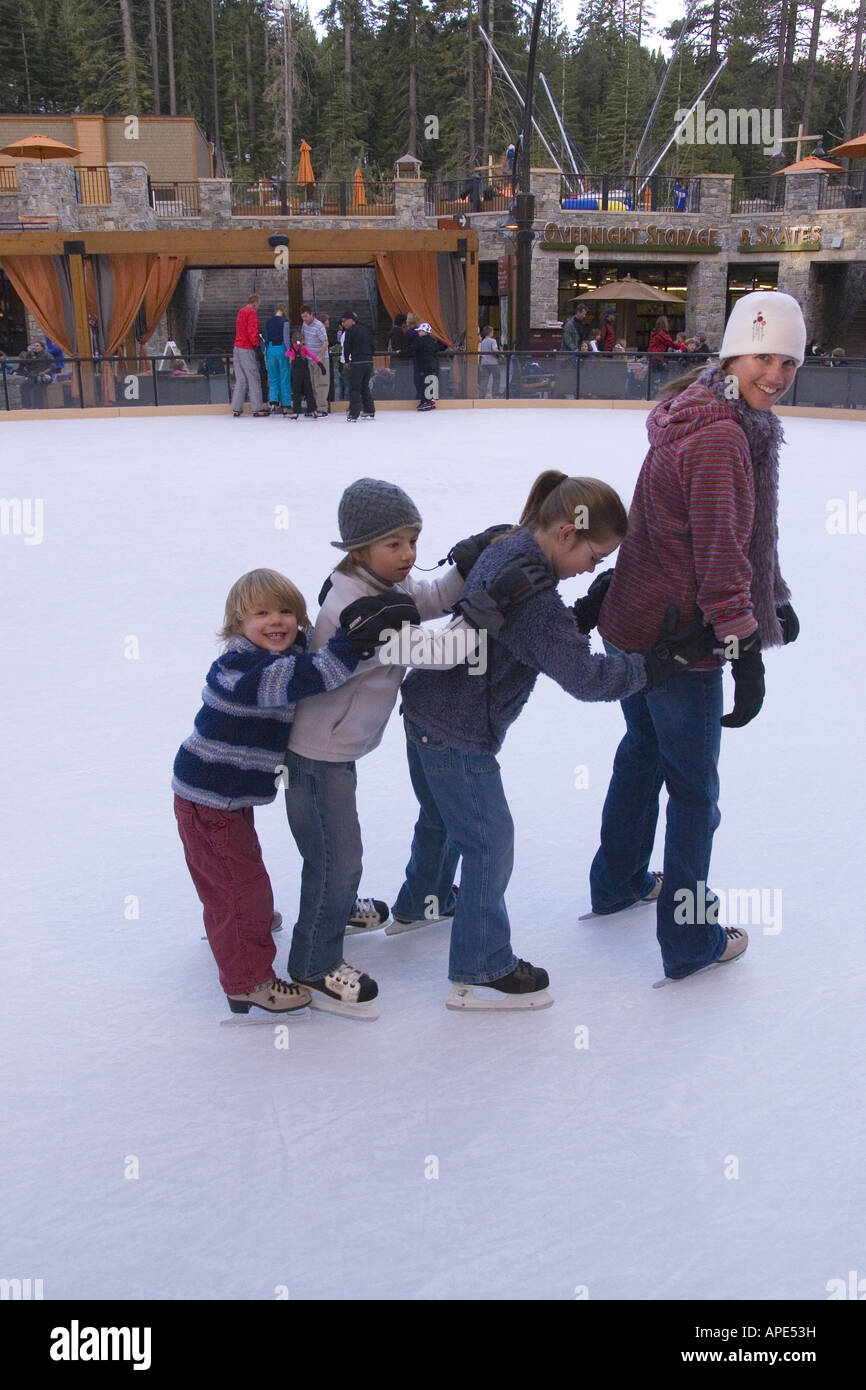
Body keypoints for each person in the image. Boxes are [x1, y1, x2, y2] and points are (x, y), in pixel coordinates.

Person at [390, 472, 716, 1011]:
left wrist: (584, 612)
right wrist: (657, 665)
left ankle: (422, 902)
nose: (595, 567)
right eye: (595, 557)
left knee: (443, 820)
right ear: (567, 533)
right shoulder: (534, 595)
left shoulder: (513, 546)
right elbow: (585, 677)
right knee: (489, 844)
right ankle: (481, 968)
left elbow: (528, 635)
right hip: (457, 733)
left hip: (424, 710)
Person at [588, 290, 806, 984]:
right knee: (693, 794)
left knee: (642, 752)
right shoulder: (719, 438)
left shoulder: (697, 415)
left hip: (634, 623)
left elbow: (725, 538)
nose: (775, 373)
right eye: (764, 356)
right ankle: (689, 942)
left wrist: (771, 597)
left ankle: (618, 880)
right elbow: (718, 560)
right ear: (735, 354)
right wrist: (744, 653)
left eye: (788, 361)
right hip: (679, 642)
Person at [282, 479, 506, 1018]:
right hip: (317, 755)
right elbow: (439, 650)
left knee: (338, 853)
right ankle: (313, 964)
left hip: (335, 749)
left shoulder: (375, 583)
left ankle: (332, 913)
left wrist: (464, 566)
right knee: (337, 860)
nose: (409, 555)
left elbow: (425, 599)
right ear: (360, 548)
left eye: (414, 540)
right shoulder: (358, 609)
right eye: (395, 544)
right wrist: (485, 611)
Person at [171, 567, 403, 1016]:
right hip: (208, 798)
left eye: (287, 612)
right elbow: (312, 674)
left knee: (239, 876)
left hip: (227, 798)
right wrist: (349, 643)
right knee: (239, 889)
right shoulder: (240, 671)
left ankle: (259, 919)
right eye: (261, 613)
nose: (276, 621)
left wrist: (335, 624)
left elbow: (307, 652)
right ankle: (248, 981)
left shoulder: (282, 651)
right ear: (237, 624)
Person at [231, 293, 269, 417]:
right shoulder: (251, 313)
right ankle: (257, 408)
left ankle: (236, 407)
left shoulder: (240, 312)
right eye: (258, 304)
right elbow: (252, 331)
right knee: (253, 377)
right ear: (255, 303)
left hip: (237, 347)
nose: (258, 307)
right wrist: (257, 346)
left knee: (240, 379)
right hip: (246, 348)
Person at [342, 307, 375, 421]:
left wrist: (347, 360)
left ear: (351, 320)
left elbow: (347, 347)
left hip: (357, 362)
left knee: (355, 388)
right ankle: (369, 409)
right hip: (369, 361)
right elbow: (372, 345)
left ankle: (354, 413)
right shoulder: (365, 329)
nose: (343, 323)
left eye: (344, 320)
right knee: (364, 386)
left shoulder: (350, 331)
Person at [300, 304, 330, 415]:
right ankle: (313, 407)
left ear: (311, 314)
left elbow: (325, 342)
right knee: (312, 383)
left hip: (319, 359)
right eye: (303, 317)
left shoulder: (319, 326)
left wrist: (320, 357)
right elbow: (303, 337)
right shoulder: (304, 324)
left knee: (321, 383)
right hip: (309, 358)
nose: (305, 319)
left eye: (306, 316)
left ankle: (322, 408)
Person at [287, 333, 322, 419]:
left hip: (296, 374)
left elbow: (289, 360)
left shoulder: (291, 350)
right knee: (309, 391)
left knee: (296, 393)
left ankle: (296, 412)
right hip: (305, 373)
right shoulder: (304, 349)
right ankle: (313, 410)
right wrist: (320, 364)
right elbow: (312, 356)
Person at [264, 304, 291, 413]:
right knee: (284, 377)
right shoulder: (285, 322)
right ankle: (285, 405)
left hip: (270, 349)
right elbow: (286, 338)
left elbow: (265, 338)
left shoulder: (268, 322)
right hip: (282, 348)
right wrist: (289, 352)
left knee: (273, 377)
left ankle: (273, 401)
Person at [412, 321, 446, 410]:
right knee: (429, 383)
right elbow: (437, 349)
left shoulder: (420, 341)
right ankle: (429, 400)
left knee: (422, 383)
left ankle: (425, 401)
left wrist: (400, 352)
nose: (419, 332)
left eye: (420, 331)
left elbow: (412, 349)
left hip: (423, 366)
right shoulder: (432, 341)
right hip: (431, 365)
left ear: (425, 331)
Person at [478, 324, 501, 398]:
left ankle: (482, 395)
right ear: (490, 332)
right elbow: (494, 350)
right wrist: (500, 354)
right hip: (493, 363)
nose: (493, 333)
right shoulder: (493, 341)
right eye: (492, 331)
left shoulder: (483, 341)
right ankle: (495, 394)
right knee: (496, 378)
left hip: (484, 363)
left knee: (484, 380)